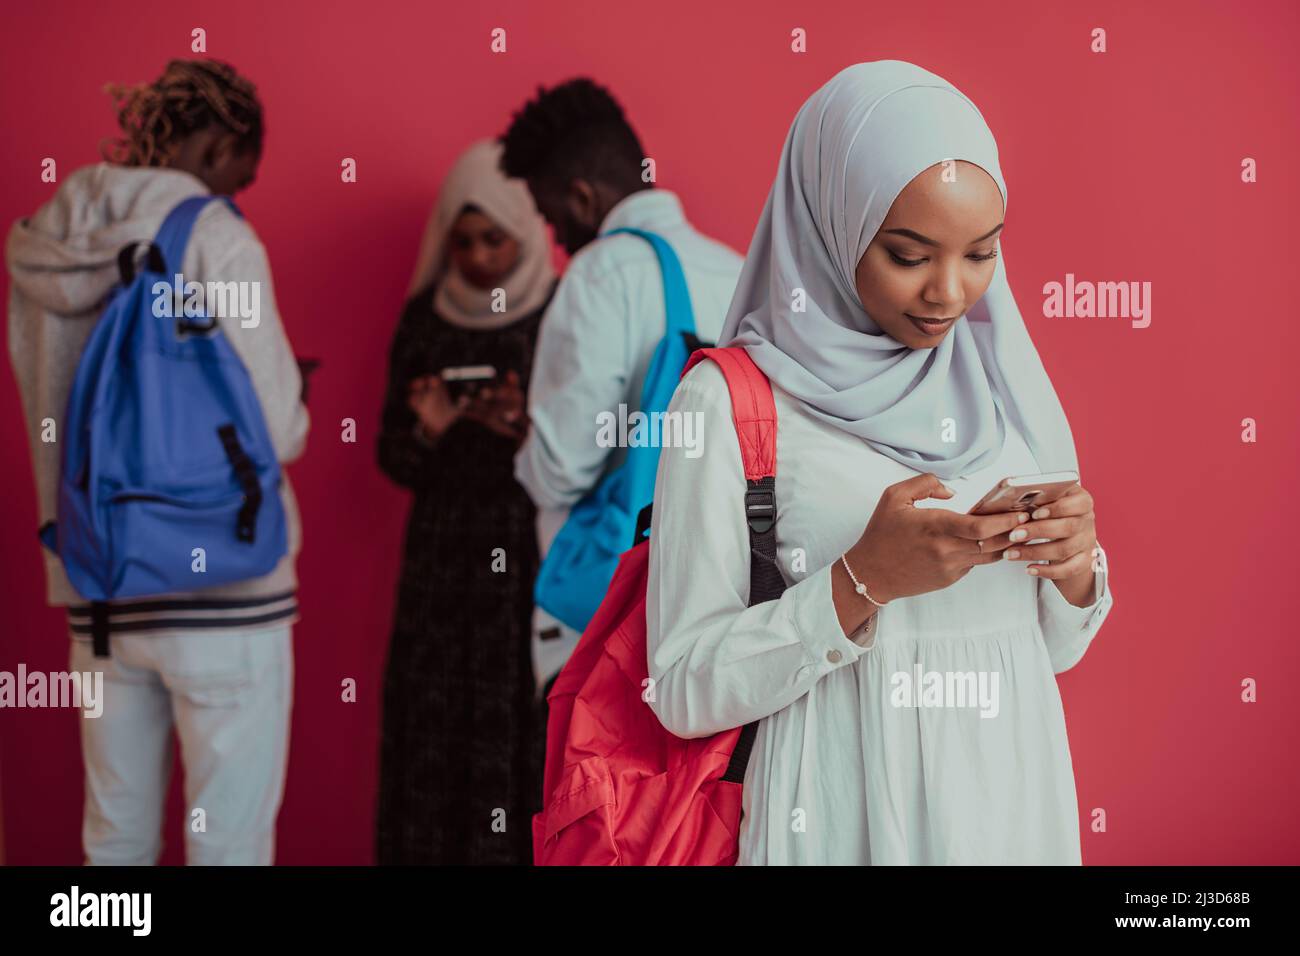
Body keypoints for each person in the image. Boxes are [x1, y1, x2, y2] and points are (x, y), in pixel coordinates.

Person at [645, 61, 1116, 865]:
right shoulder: (727, 404)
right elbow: (681, 687)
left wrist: (1077, 571)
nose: (950, 292)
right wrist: (860, 581)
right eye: (908, 254)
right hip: (840, 815)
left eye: (982, 253)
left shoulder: (1007, 387)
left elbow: (1054, 650)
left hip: (1011, 807)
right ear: (828, 223)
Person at [5, 59, 309, 864]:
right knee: (229, 844)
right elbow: (277, 429)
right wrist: (292, 401)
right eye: (244, 169)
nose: (241, 189)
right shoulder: (214, 235)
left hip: (99, 590)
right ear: (219, 148)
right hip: (224, 594)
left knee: (113, 841)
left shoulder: (41, 244)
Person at [498, 77, 744, 693]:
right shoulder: (738, 268)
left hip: (612, 609)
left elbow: (562, 468)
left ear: (579, 198)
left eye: (551, 217)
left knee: (588, 783)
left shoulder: (599, 273)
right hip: (725, 597)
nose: (555, 237)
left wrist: (526, 445)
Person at [375, 138, 558, 865]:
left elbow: (585, 453)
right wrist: (433, 430)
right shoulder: (427, 318)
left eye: (495, 239)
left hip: (525, 558)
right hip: (440, 564)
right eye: (464, 242)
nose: (480, 259)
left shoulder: (561, 313)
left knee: (520, 723)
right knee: (431, 727)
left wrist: (524, 430)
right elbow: (390, 453)